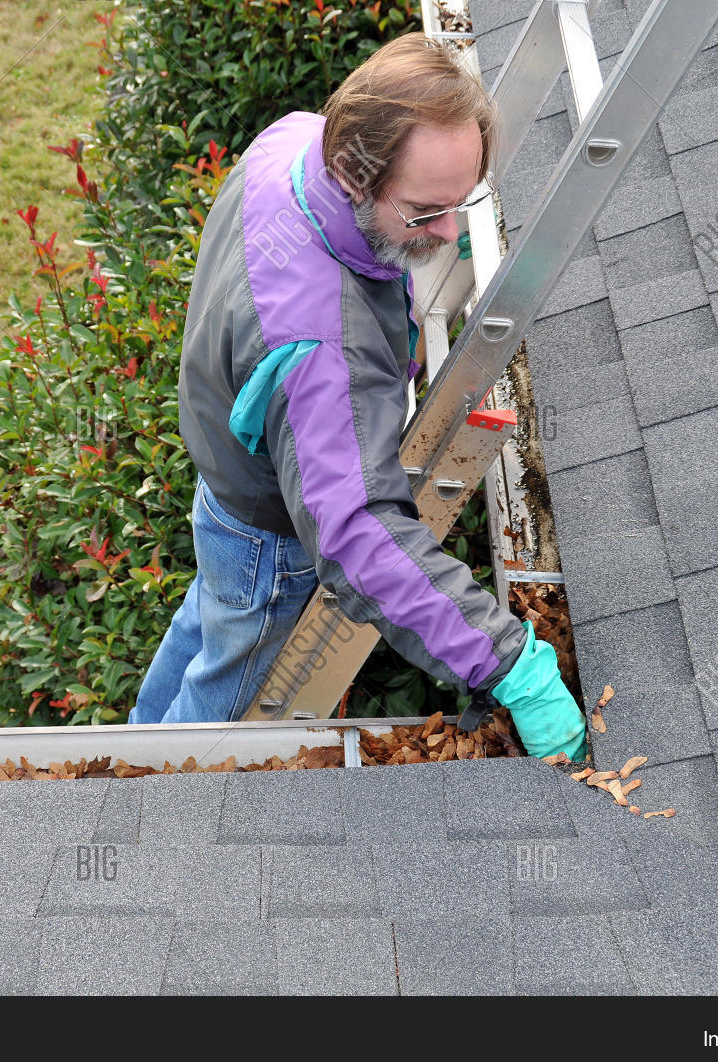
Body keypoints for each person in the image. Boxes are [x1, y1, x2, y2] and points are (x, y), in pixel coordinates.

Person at [127, 34, 586, 760]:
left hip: (225, 489)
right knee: (211, 713)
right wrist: (507, 662)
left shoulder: (293, 142)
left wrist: (414, 242)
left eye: (459, 203)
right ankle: (141, 805)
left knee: (207, 628)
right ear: (353, 174)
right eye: (425, 213)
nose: (447, 230)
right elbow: (357, 536)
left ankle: (121, 753)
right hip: (271, 539)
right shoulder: (323, 352)